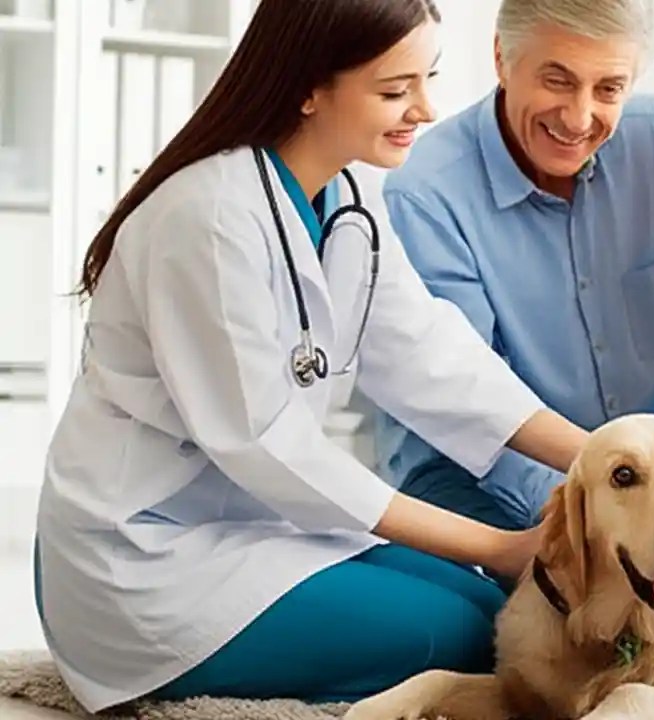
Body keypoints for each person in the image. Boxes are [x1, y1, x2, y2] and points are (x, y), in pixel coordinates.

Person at [32, 1, 590, 713]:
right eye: (395, 90)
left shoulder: (350, 196)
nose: (424, 109)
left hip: (252, 527)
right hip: (140, 558)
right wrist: (501, 542)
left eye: (428, 80)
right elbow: (270, 446)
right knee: (470, 631)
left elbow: (432, 357)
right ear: (308, 88)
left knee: (485, 602)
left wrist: (607, 455)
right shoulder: (205, 217)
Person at [371, 0, 654, 531]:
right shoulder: (426, 194)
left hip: (627, 481)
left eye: (609, 89)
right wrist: (605, 515)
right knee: (535, 609)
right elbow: (472, 407)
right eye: (557, 80)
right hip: (469, 479)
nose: (579, 117)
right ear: (503, 59)